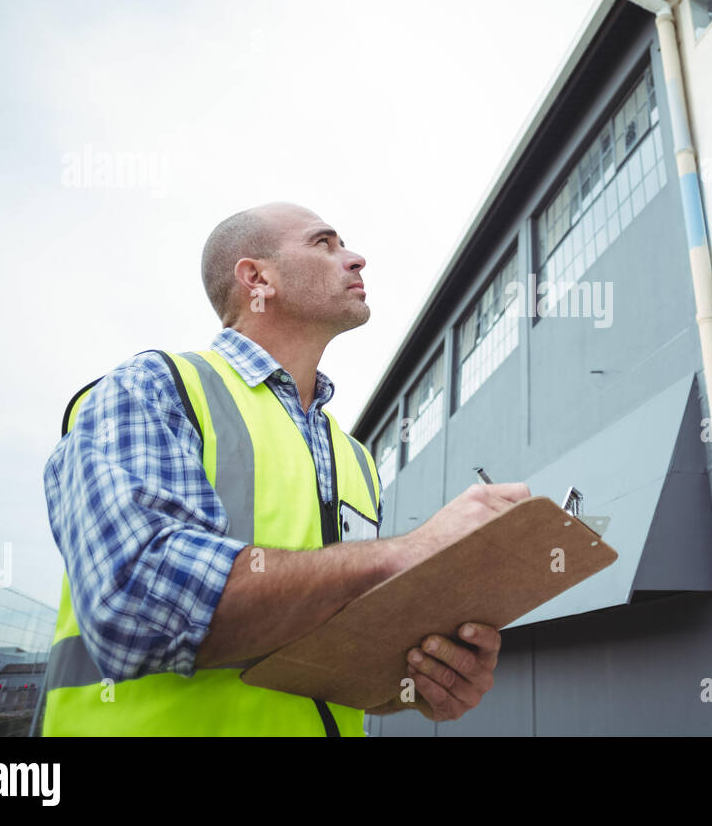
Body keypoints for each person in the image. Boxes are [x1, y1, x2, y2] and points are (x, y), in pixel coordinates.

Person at [42, 201, 529, 734]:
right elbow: (134, 603)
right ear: (257, 278)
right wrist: (408, 552)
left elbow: (324, 650)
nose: (356, 259)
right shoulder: (153, 388)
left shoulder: (356, 457)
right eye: (325, 243)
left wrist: (412, 681)